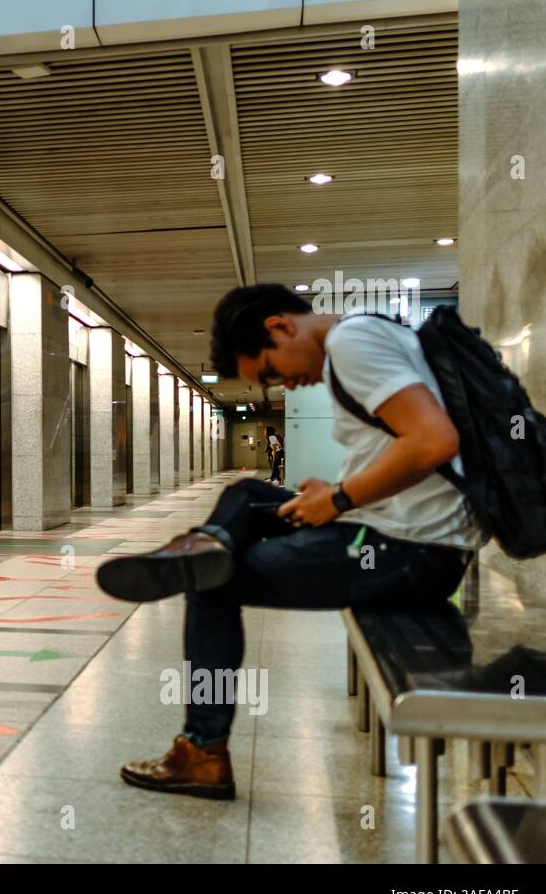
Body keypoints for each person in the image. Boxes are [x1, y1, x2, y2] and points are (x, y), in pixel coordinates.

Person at [96, 284, 484, 800]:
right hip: (397, 533)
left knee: (214, 584)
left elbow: (434, 441)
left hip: (410, 553)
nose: (286, 385)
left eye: (273, 371)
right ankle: (207, 541)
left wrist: (342, 499)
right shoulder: (369, 332)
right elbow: (409, 445)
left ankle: (203, 751)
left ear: (279, 326)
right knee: (248, 492)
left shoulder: (354, 344)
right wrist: (338, 492)